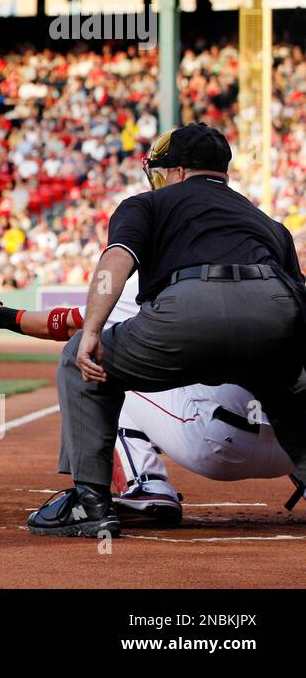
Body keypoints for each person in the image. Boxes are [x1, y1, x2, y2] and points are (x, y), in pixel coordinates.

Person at [33, 123, 306, 537]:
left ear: (177, 172)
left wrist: (90, 331)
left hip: (188, 308)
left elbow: (116, 264)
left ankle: (90, 503)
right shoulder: (266, 221)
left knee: (79, 362)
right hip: (273, 310)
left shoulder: (146, 204)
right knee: (286, 393)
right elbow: (297, 296)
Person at [0, 273, 300, 528]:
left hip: (219, 444)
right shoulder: (271, 265)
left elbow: (74, 325)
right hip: (293, 447)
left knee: (105, 366)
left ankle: (146, 485)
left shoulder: (158, 270)